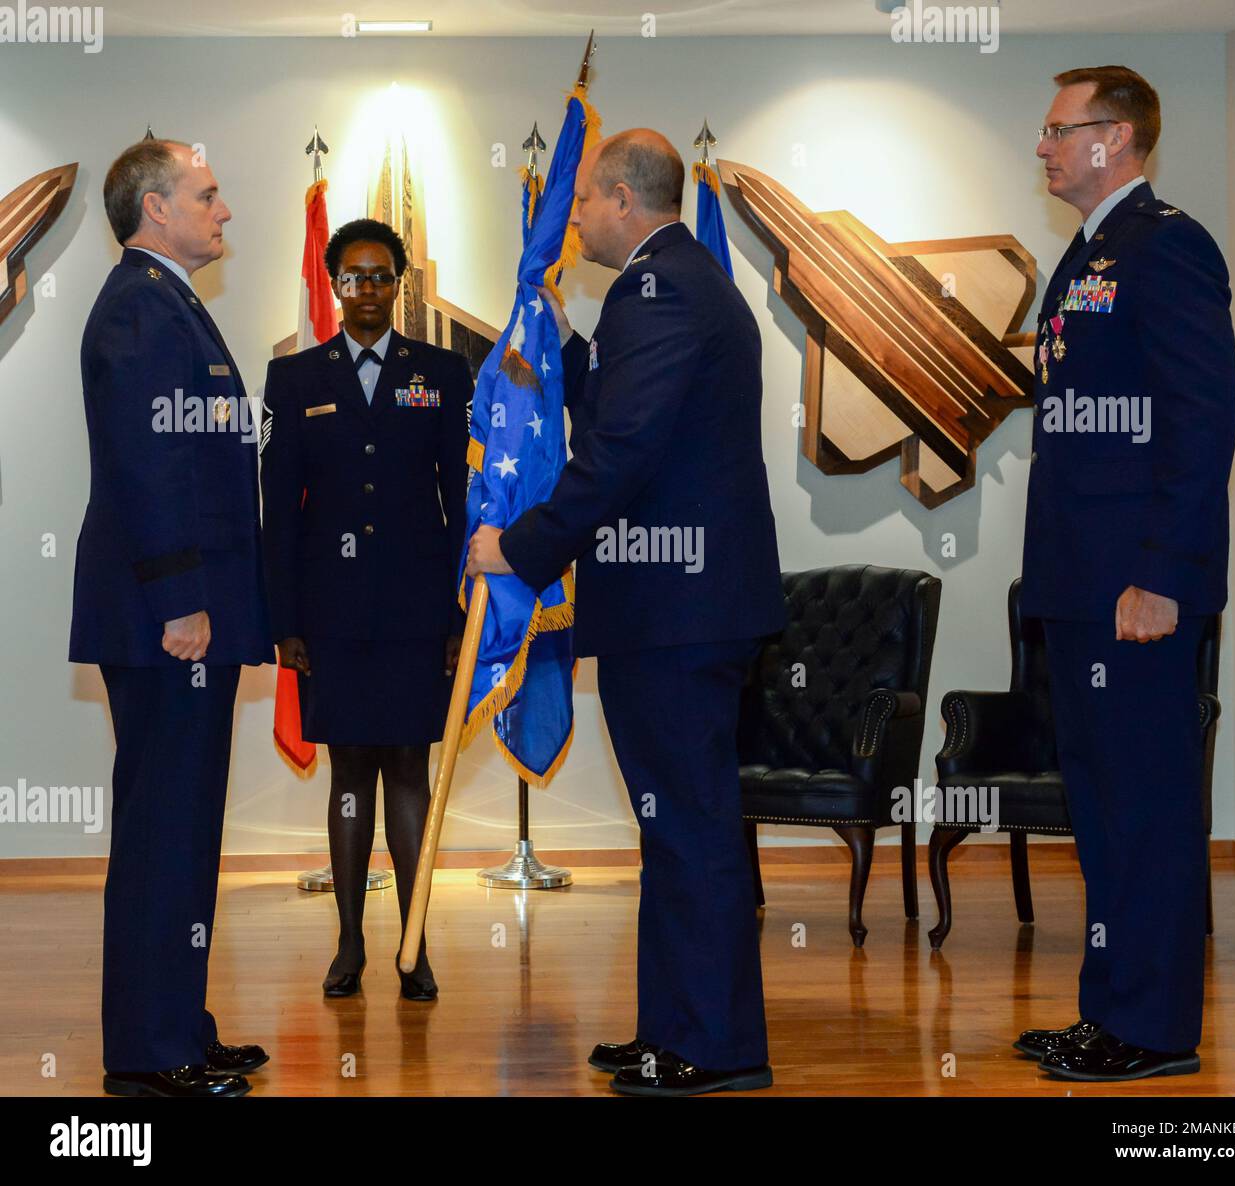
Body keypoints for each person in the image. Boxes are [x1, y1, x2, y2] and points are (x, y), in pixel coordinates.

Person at [466, 129, 786, 1096]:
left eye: (579, 208)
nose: (570, 222)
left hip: (679, 607)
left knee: (689, 827)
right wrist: (552, 337)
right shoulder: (663, 286)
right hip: (675, 603)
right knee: (676, 825)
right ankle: (672, 1027)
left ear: (619, 198)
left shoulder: (665, 290)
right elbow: (613, 408)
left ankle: (714, 1048)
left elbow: (623, 453)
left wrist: (518, 549)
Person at [1016, 66, 1235, 1081]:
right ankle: (1109, 1011)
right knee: (1101, 815)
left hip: (1134, 593)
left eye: (1057, 129)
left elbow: (1199, 425)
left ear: (1113, 136)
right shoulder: (1091, 251)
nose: (1042, 145)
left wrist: (1162, 573)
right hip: (1077, 587)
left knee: (1143, 812)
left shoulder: (1168, 244)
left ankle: (1151, 1032)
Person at [70, 138, 274, 1097]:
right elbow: (148, 465)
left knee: (183, 825)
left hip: (185, 610)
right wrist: (182, 595)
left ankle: (179, 1029)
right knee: (163, 830)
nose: (223, 210)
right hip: (170, 618)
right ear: (155, 209)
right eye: (209, 192)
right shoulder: (142, 309)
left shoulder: (165, 302)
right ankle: (151, 1057)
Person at [260, 218, 471, 1001]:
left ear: (401, 281)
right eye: (353, 277)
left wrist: (458, 616)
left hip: (420, 609)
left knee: (410, 770)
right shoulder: (295, 380)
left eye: (383, 276)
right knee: (349, 773)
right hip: (332, 613)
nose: (369, 291)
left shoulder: (445, 373)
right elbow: (278, 510)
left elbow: (462, 498)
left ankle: (413, 947)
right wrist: (284, 620)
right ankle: (349, 942)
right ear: (333, 284)